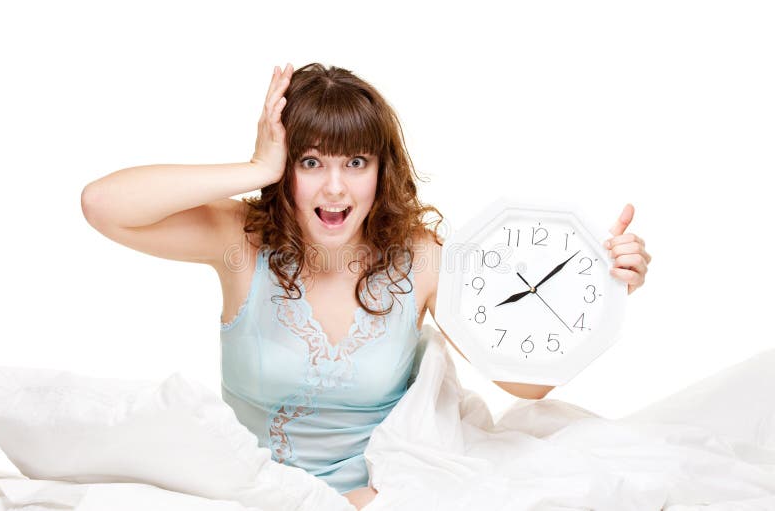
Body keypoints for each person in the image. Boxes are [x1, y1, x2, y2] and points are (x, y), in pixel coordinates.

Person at [80, 62, 652, 510]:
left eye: (355, 161)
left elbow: (523, 385)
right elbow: (103, 206)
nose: (335, 187)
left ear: (381, 169)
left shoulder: (421, 259)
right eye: (310, 162)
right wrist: (255, 169)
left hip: (387, 498)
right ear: (288, 170)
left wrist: (603, 285)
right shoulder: (241, 243)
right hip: (250, 496)